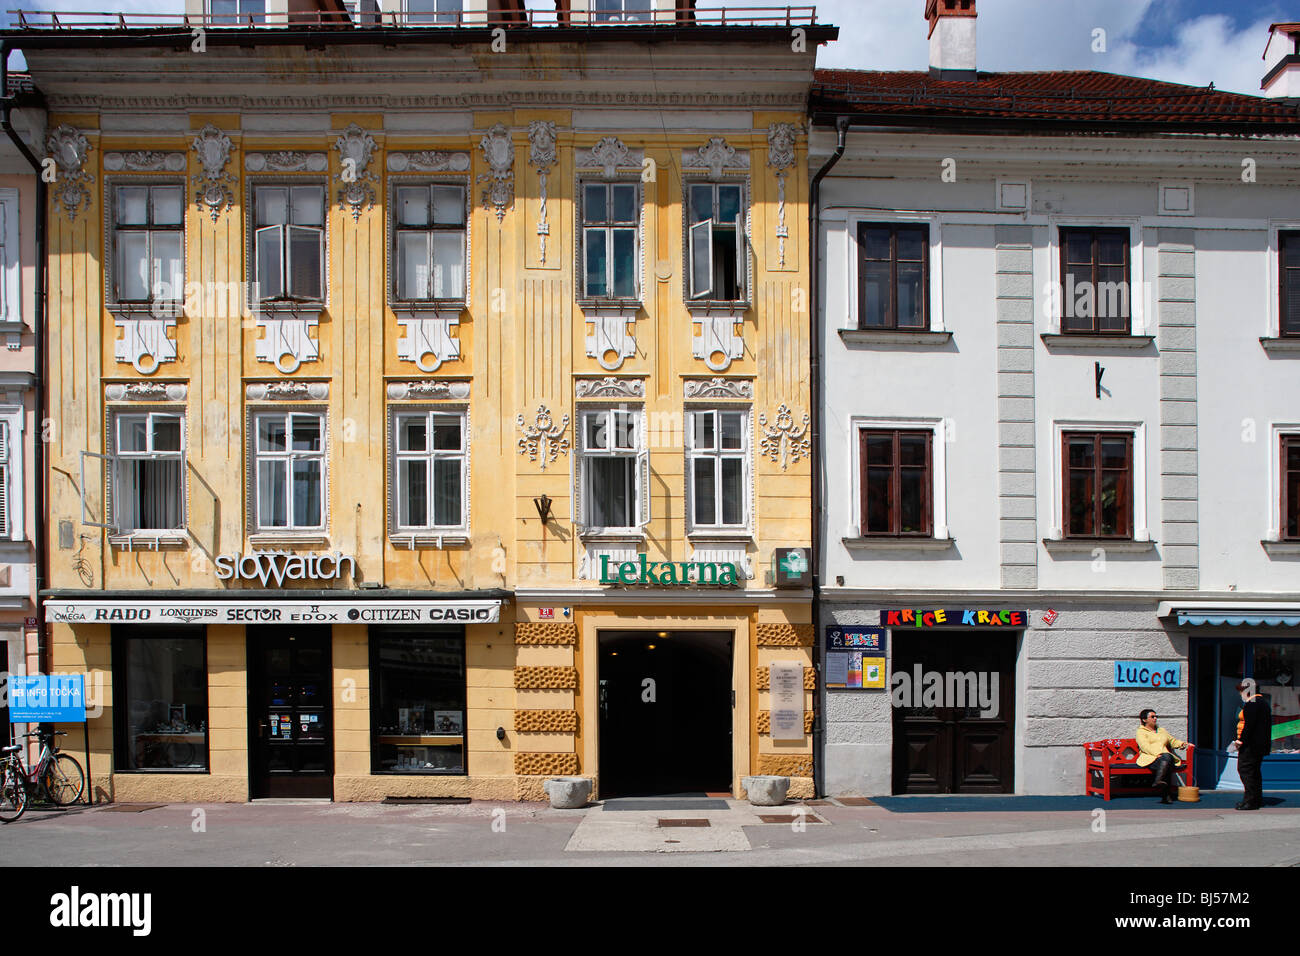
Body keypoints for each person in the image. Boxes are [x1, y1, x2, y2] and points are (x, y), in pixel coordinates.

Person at [1229, 678, 1270, 811]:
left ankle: (1250, 802)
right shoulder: (1263, 702)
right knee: (1255, 773)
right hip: (1259, 745)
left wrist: (1240, 741)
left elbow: (1249, 725)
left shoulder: (1252, 703)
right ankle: (1256, 800)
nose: (1240, 694)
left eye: (1241, 691)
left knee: (1245, 771)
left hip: (1250, 745)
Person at [1135, 708, 1187, 804]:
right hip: (1150, 758)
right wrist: (1157, 754)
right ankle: (1166, 795)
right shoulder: (1141, 732)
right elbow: (1144, 746)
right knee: (1167, 762)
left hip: (1164, 758)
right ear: (1144, 720)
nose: (1155, 718)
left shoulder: (1162, 730)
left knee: (1166, 759)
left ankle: (1158, 782)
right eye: (1152, 717)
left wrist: (1183, 744)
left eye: (1156, 716)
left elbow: (1172, 741)